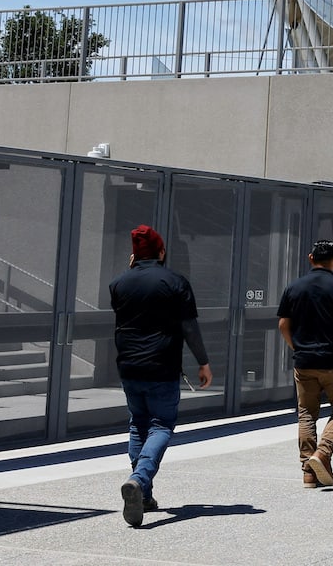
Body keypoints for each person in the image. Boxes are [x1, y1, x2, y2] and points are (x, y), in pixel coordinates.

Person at [108, 224, 212, 528]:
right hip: (162, 366)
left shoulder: (119, 284)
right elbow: (189, 327)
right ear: (162, 252)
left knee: (138, 424)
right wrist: (203, 362)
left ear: (134, 255)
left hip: (128, 365)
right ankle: (139, 479)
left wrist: (131, 270)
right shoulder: (175, 282)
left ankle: (144, 493)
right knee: (161, 425)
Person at [277, 239, 333, 487]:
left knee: (306, 413)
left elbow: (283, 325)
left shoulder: (293, 288)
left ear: (310, 258)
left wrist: (297, 347)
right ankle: (322, 452)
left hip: (304, 361)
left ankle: (308, 472)